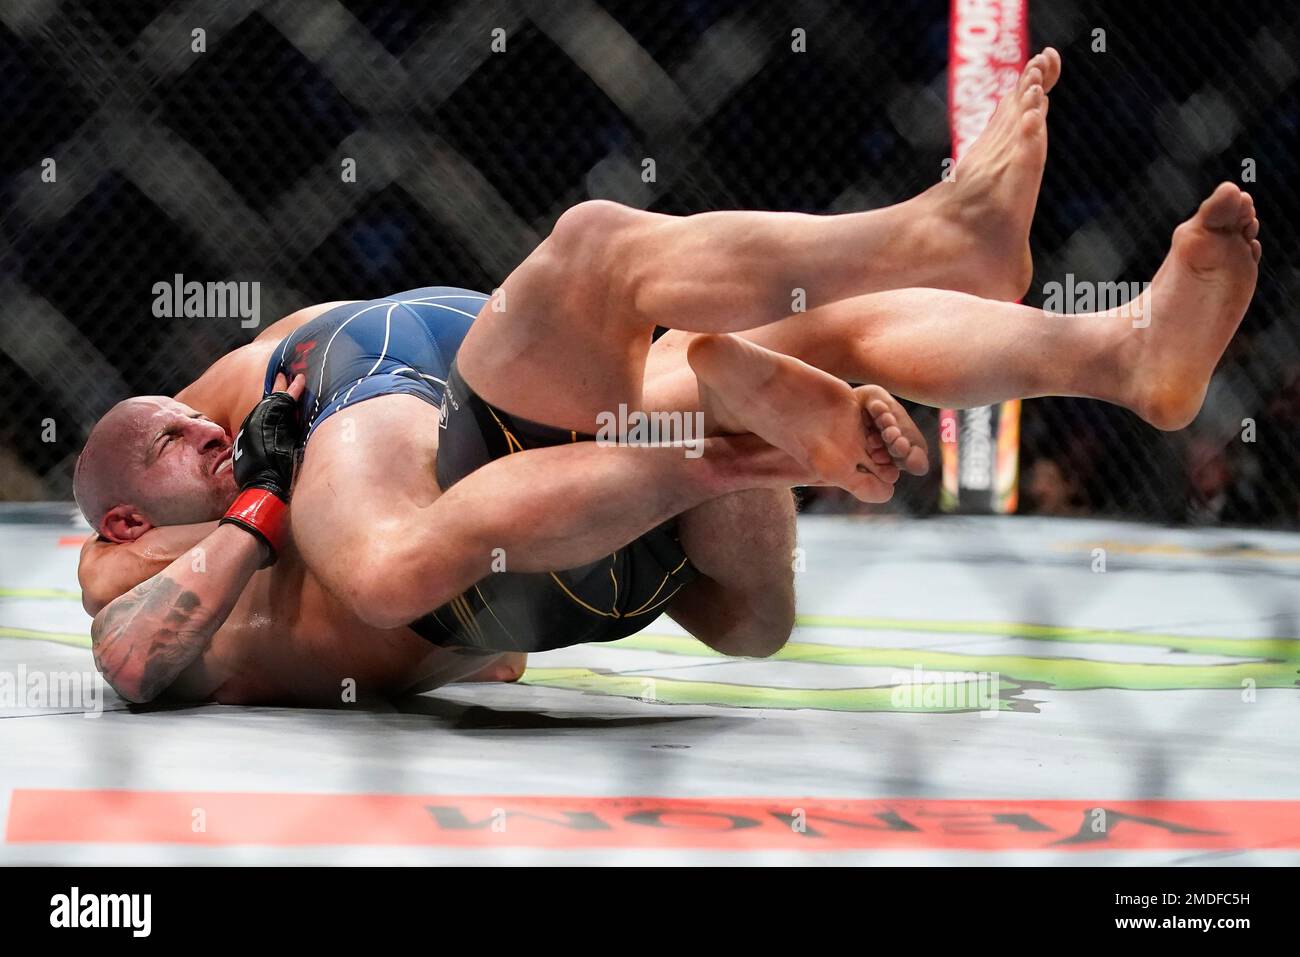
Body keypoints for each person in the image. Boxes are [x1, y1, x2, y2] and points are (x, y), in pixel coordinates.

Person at [74, 49, 1263, 706]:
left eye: (192, 414)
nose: (203, 424)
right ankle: (820, 343)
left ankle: (1118, 353)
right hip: (458, 449)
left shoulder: (255, 416)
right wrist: (257, 501)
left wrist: (253, 479)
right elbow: (135, 647)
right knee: (592, 260)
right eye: (177, 437)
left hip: (589, 479)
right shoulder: (148, 546)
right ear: (126, 507)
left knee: (794, 338)